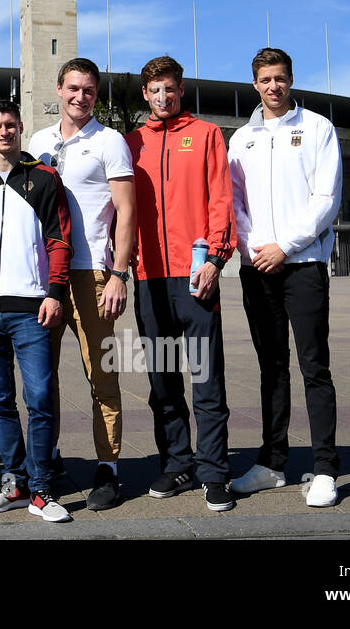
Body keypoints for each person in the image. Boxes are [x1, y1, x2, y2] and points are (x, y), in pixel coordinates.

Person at [228, 48, 343, 507]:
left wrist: (286, 246)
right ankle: (273, 463)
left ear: (291, 80)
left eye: (280, 78)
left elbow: (326, 197)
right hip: (258, 266)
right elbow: (233, 202)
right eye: (264, 79)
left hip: (304, 264)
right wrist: (255, 247)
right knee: (270, 368)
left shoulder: (317, 127)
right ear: (253, 84)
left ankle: (325, 468)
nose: (272, 86)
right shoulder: (241, 139)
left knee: (314, 367)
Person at [125, 56, 237, 512]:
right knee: (163, 379)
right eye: (154, 90)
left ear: (180, 90)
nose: (162, 97)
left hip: (196, 275)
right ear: (146, 94)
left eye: (169, 89)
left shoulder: (208, 135)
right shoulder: (131, 142)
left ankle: (213, 472)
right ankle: (176, 463)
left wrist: (215, 258)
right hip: (149, 277)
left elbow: (220, 199)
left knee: (206, 377)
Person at [0, 100, 73, 522]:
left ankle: (42, 489)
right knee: (0, 401)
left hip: (32, 308)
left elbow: (59, 238)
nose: (3, 132)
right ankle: (15, 482)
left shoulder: (43, 178)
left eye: (10, 125)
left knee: (39, 398)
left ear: (20, 128)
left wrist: (54, 292)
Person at [27, 58, 136, 511]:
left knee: (102, 376)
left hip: (93, 272)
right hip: (44, 276)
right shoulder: (37, 141)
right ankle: (47, 462)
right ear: (58, 90)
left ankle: (108, 468)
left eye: (89, 90)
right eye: (73, 88)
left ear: (96, 95)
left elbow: (126, 212)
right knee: (40, 378)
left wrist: (118, 274)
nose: (80, 97)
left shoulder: (110, 142)